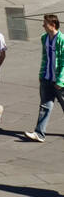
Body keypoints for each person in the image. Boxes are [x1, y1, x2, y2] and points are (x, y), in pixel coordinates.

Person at [24, 13, 64, 141]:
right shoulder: (44, 38)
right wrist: (41, 74)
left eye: (45, 24)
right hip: (47, 79)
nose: (43, 25)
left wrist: (61, 80)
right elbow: (45, 57)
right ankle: (39, 133)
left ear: (52, 25)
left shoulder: (62, 40)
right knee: (45, 107)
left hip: (59, 82)